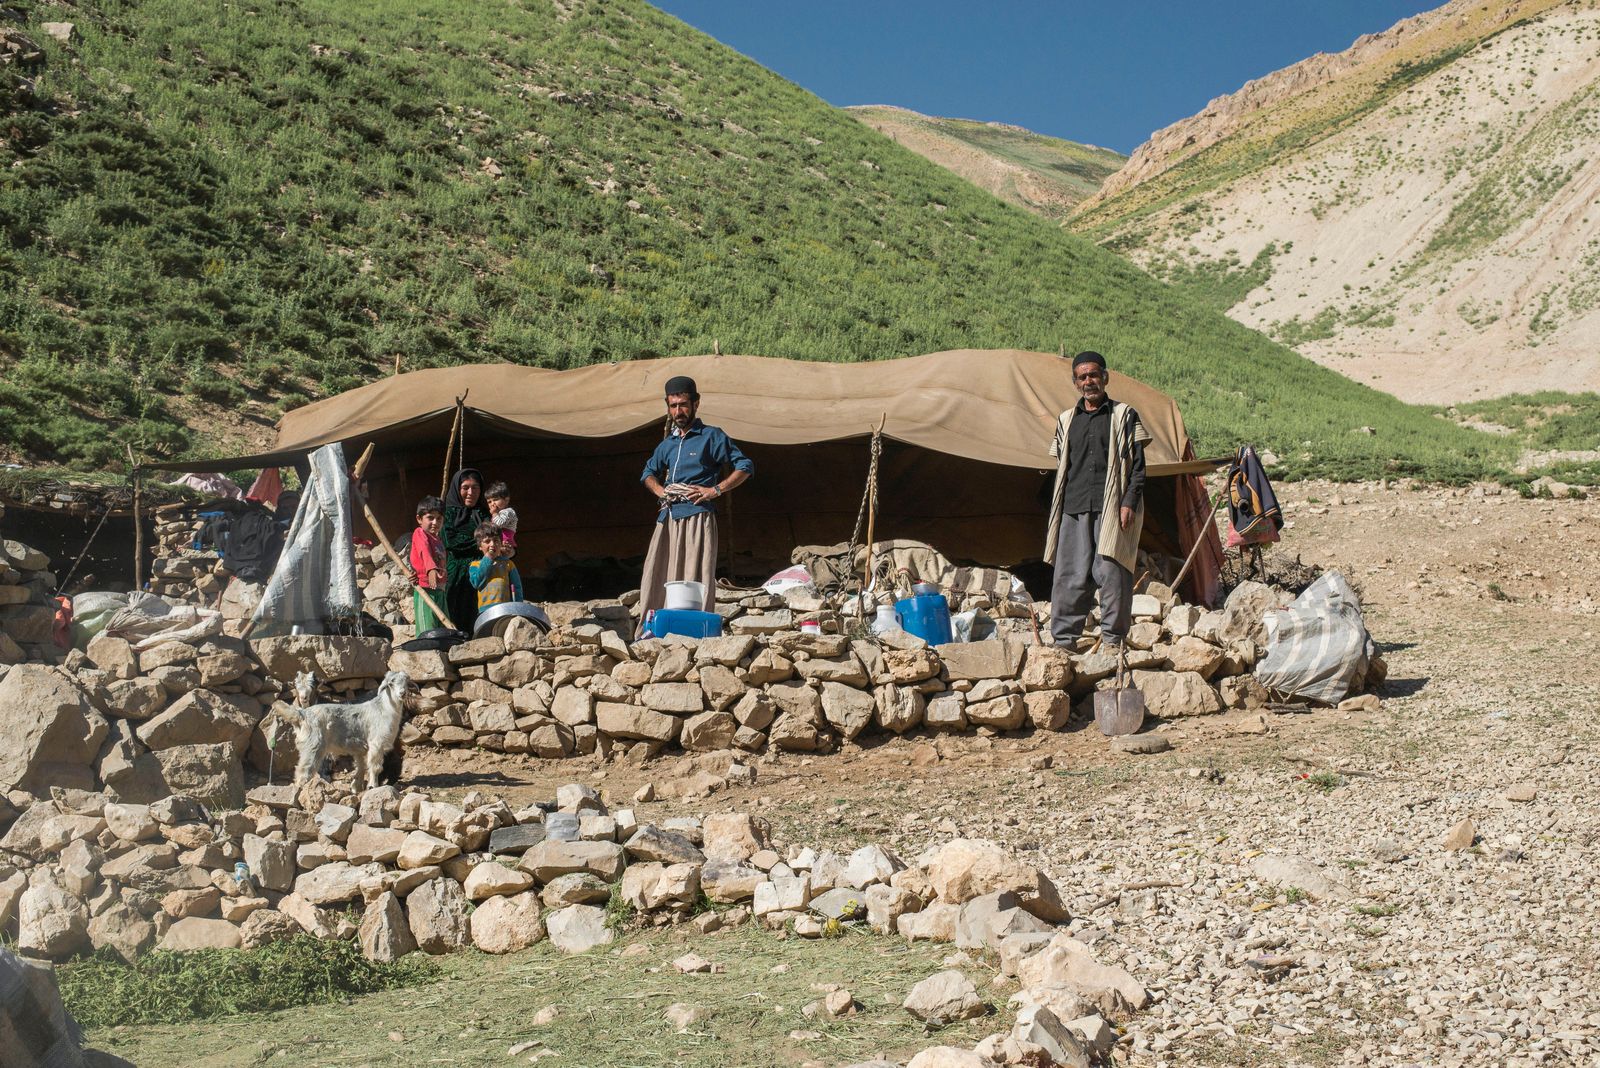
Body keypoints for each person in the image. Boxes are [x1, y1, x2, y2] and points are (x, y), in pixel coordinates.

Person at [1043, 350, 1151, 649]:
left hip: (1112, 507)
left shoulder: (1124, 415)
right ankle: (1064, 643)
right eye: (1082, 377)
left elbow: (1139, 467)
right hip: (1074, 507)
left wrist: (1129, 501)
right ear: (1075, 383)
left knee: (1112, 575)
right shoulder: (1066, 420)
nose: (1088, 381)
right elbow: (1062, 467)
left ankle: (1114, 642)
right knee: (1069, 577)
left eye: (1093, 375)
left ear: (1105, 377)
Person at [638, 375, 754, 627]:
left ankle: (692, 631)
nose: (678, 411)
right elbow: (647, 473)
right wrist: (660, 491)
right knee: (657, 574)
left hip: (697, 518)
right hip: (668, 517)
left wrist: (715, 490)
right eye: (673, 405)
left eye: (683, 404)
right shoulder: (667, 444)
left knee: (693, 575)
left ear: (696, 404)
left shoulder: (711, 436)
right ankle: (653, 630)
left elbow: (745, 465)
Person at [442, 468, 489, 628]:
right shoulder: (447, 514)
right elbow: (452, 542)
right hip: (457, 574)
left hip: (483, 571)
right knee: (455, 616)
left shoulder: (484, 514)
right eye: (465, 487)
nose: (471, 492)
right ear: (457, 488)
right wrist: (482, 544)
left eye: (475, 488)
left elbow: (494, 539)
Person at [408, 495, 447, 632]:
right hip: (426, 588)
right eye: (430, 518)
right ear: (419, 519)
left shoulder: (438, 540)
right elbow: (424, 550)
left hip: (440, 589)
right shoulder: (419, 533)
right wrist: (431, 569)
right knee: (428, 628)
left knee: (443, 626)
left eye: (439, 519)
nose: (435, 522)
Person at [468, 521, 523, 616]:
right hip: (485, 612)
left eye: (496, 541)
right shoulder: (475, 565)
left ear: (501, 544)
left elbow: (517, 587)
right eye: (487, 541)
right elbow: (476, 582)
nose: (492, 544)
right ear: (480, 546)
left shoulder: (508, 564)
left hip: (506, 610)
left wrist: (517, 608)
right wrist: (488, 558)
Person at [485, 480, 518, 553]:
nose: (492, 503)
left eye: (495, 500)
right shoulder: (498, 513)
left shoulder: (509, 511)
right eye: (489, 502)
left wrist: (494, 513)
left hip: (506, 544)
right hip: (498, 543)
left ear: (506, 500)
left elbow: (499, 524)